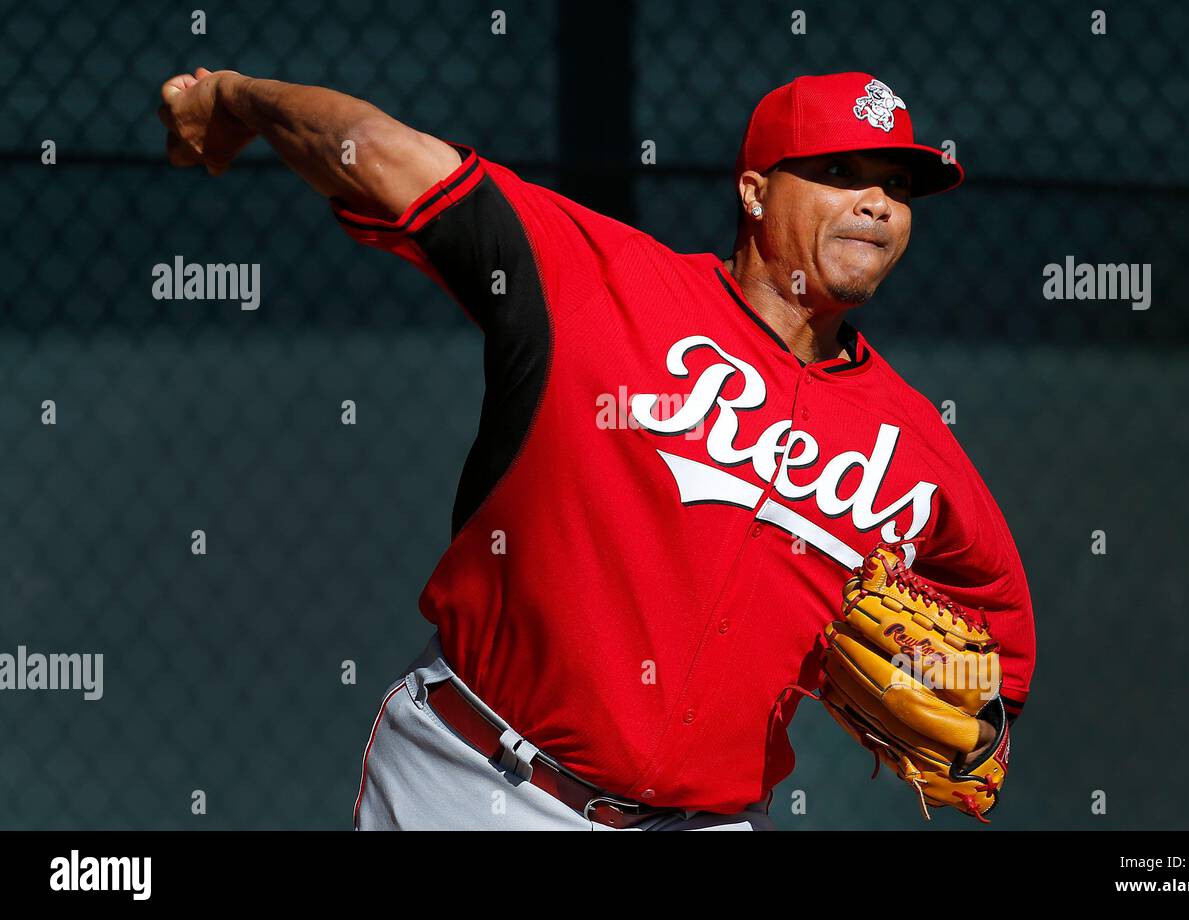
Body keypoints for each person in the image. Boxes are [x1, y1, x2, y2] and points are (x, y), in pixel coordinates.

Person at [158, 69, 1036, 830]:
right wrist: (237, 98)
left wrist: (952, 683)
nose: (877, 203)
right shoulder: (599, 280)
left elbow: (997, 654)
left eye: (899, 186)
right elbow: (379, 152)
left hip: (711, 820)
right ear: (756, 191)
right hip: (475, 781)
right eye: (841, 172)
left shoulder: (915, 444)